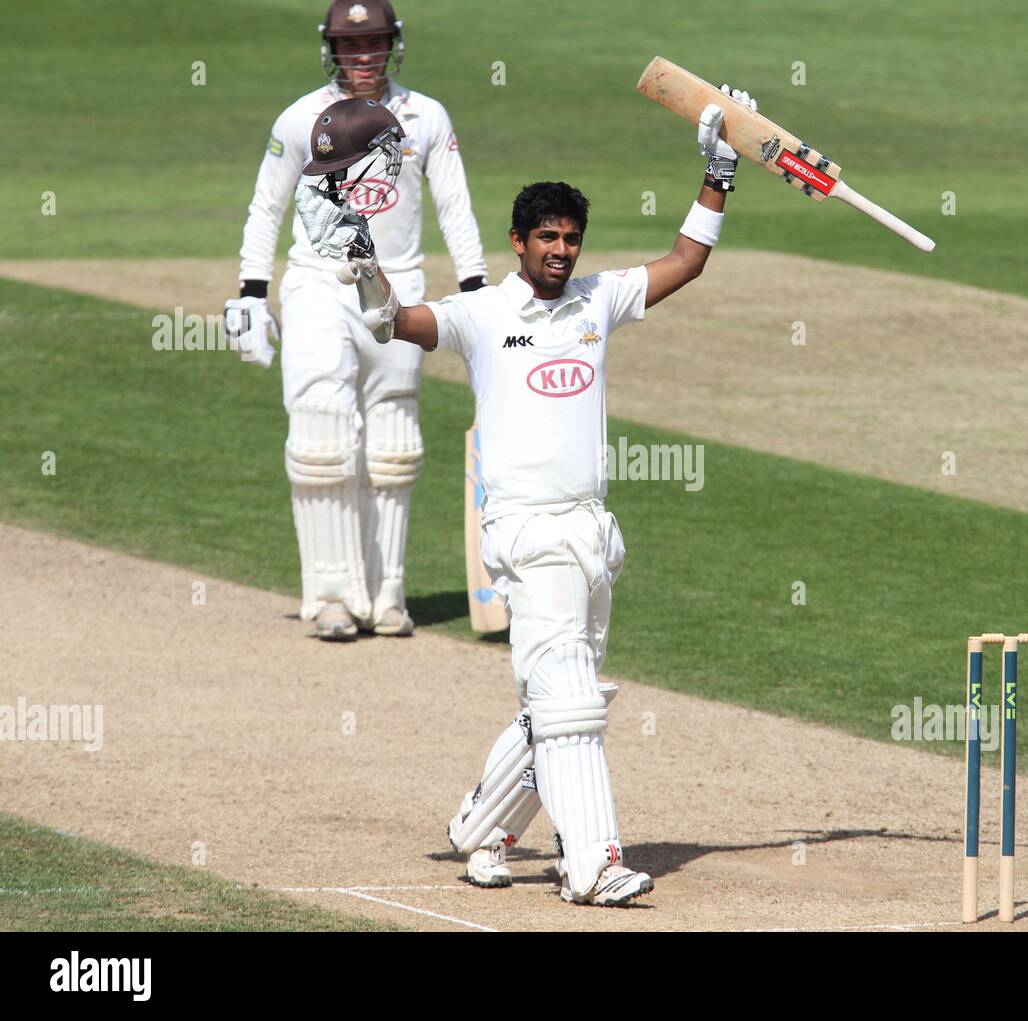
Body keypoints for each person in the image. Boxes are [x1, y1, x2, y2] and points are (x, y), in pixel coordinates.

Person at [292, 84, 757, 904]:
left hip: (589, 533)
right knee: (570, 698)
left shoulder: (597, 301)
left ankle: (482, 829)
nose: (561, 251)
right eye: (547, 237)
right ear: (517, 241)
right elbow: (395, 321)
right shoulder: (481, 313)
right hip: (524, 531)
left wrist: (719, 171)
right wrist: (360, 269)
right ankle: (591, 864)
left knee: (560, 699)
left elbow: (687, 260)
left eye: (571, 238)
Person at [225, 0, 488, 641]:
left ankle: (389, 594)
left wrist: (478, 291)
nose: (362, 56)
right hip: (319, 285)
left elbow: (454, 205)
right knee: (322, 439)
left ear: (393, 45)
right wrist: (251, 293)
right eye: (351, 45)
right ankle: (331, 597)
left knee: (394, 445)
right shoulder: (298, 118)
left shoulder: (425, 117)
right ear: (331, 50)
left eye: (373, 44)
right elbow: (267, 207)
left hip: (397, 288)